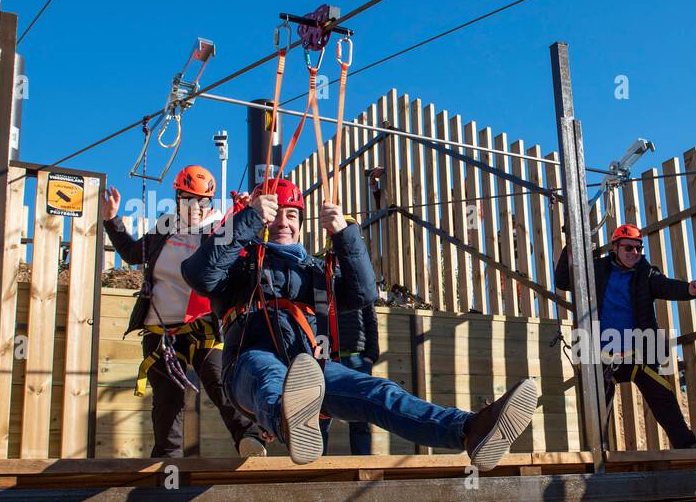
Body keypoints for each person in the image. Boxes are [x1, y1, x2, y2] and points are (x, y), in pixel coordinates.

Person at [181, 178, 539, 469]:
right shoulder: (238, 264)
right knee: (268, 376)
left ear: (301, 224)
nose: (282, 223)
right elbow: (198, 273)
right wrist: (245, 218)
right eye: (274, 215)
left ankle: (469, 430)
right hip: (249, 361)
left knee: (379, 393)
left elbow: (363, 292)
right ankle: (290, 421)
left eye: (291, 216)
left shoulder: (313, 270)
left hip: (311, 371)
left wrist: (344, 235)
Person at [102, 166, 267, 458]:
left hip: (203, 324)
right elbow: (132, 254)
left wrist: (246, 214)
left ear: (211, 203)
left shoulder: (219, 228)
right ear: (177, 198)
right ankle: (167, 463)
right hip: (160, 330)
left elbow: (244, 251)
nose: (195, 207)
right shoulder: (165, 227)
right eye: (187, 199)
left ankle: (249, 438)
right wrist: (112, 219)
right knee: (166, 403)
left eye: (202, 201)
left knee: (221, 385)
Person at [554, 223, 696, 449]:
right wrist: (570, 248)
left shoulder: (646, 274)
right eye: (629, 248)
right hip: (603, 355)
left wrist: (689, 290)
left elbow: (665, 286)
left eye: (639, 249)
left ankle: (687, 446)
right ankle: (597, 456)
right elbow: (564, 282)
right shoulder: (596, 269)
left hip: (638, 355)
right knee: (597, 407)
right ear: (615, 248)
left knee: (663, 398)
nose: (634, 253)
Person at [319, 301, 380, 456]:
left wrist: (370, 356)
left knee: (361, 420)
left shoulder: (357, 284)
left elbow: (371, 320)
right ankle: (315, 467)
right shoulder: (320, 282)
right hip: (328, 360)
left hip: (357, 359)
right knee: (321, 419)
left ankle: (363, 466)